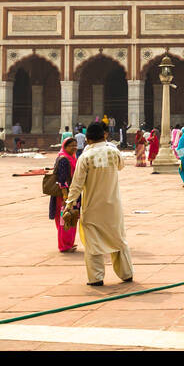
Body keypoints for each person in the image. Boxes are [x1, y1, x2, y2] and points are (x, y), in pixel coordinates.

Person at [61, 122, 133, 286]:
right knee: (118, 239)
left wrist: (69, 204)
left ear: (87, 139)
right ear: (104, 135)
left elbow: (77, 184)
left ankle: (96, 277)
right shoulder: (114, 152)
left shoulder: (85, 157)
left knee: (93, 243)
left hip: (92, 206)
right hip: (113, 205)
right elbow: (121, 166)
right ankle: (126, 273)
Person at [50, 137, 79, 252]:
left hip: (71, 193)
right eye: (71, 145)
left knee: (71, 218)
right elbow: (62, 180)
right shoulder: (64, 159)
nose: (74, 148)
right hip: (65, 195)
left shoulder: (70, 158)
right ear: (65, 147)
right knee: (65, 219)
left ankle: (68, 243)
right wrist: (65, 197)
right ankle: (64, 245)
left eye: (75, 145)